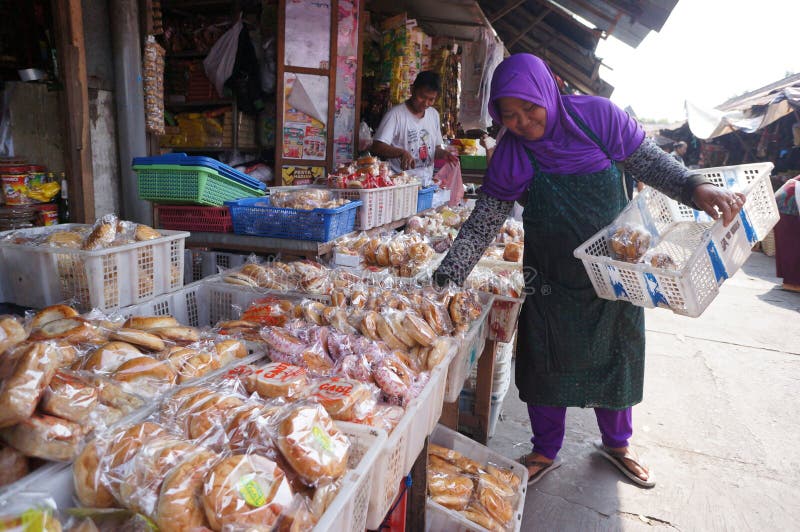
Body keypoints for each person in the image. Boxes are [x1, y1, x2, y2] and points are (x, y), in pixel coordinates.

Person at [433, 54, 745, 488]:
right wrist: (448, 274)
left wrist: (696, 186)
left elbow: (652, 165)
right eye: (510, 115)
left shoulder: (597, 118)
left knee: (616, 354)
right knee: (545, 360)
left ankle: (618, 445)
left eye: (530, 107)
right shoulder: (510, 153)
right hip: (551, 276)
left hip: (613, 273)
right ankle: (544, 450)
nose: (523, 122)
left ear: (547, 93)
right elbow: (486, 218)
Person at [370, 71, 459, 185]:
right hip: (399, 183)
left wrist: (445, 154)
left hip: (426, 182)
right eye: (422, 97)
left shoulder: (433, 115)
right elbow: (377, 146)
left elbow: (433, 149)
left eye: (431, 99)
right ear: (412, 90)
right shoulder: (395, 115)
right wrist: (401, 153)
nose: (426, 103)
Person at [773, 175, 800, 291]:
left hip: (785, 200)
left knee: (788, 245)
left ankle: (791, 282)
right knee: (794, 246)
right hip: (791, 204)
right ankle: (793, 283)